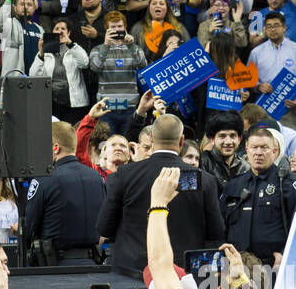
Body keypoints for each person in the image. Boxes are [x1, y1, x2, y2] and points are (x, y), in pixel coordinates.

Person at [96, 114, 225, 279]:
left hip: (132, 272)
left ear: (151, 137)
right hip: (181, 277)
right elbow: (215, 232)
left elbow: (104, 227)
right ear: (181, 140)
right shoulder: (202, 180)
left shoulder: (125, 175)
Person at [23, 121, 106, 266]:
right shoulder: (97, 178)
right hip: (93, 264)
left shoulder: (45, 179)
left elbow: (30, 228)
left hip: (55, 267)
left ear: (56, 148)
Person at [221, 127, 296, 262]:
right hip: (236, 265)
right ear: (247, 150)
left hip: (273, 266)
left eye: (264, 148)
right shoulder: (234, 185)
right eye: (254, 147)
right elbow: (221, 225)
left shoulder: (288, 183)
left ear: (274, 152)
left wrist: (285, 255)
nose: (258, 153)